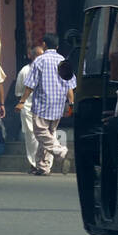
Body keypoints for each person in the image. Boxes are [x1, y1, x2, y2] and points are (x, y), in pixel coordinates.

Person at [19, 33, 75, 175]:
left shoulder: (40, 61)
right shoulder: (63, 61)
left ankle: (61, 152)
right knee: (49, 133)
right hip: (58, 105)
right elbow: (69, 86)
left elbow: (30, 85)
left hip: (42, 104)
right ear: (56, 46)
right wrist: (71, 103)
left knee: (40, 132)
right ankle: (43, 167)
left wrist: (22, 101)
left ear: (44, 44)